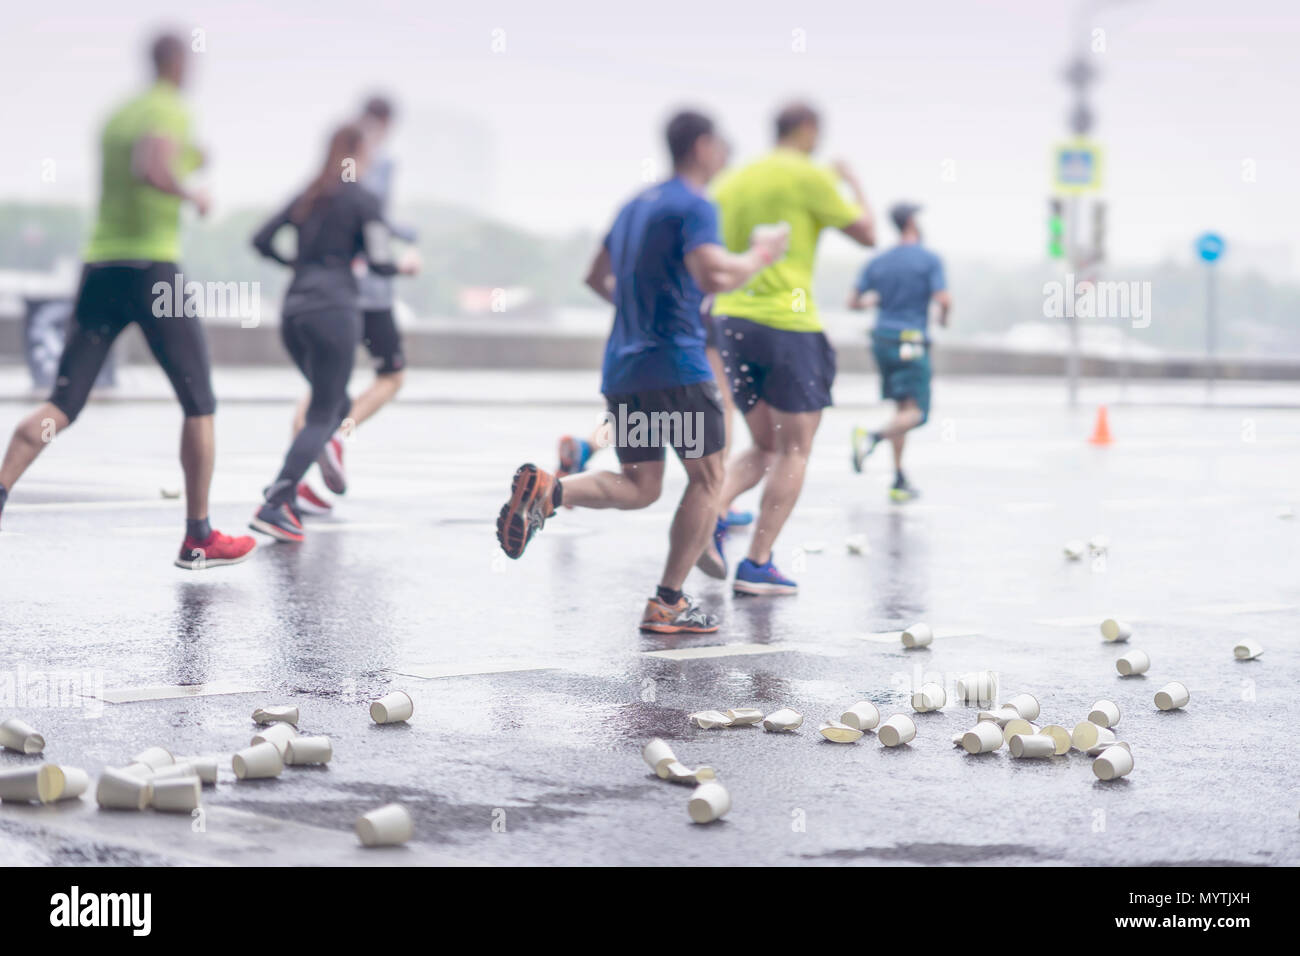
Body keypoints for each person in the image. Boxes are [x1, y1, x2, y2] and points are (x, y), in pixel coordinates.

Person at [495, 109, 788, 634]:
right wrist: (762, 254)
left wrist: (639, 310)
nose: (724, 156)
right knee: (708, 479)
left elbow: (594, 276)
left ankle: (549, 491)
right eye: (720, 146)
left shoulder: (634, 204)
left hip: (626, 367)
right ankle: (668, 602)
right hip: (678, 365)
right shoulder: (694, 204)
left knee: (641, 484)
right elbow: (713, 272)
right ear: (701, 147)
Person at [0, 32, 256, 570]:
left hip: (101, 269)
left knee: (63, 404)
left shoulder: (119, 114)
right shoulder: (170, 106)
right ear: (178, 63)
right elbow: (152, 165)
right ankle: (198, 537)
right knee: (199, 401)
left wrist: (190, 157)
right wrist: (192, 192)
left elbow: (144, 160)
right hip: (151, 271)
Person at [700, 102, 876, 595]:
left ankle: (708, 520)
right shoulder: (809, 175)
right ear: (807, 129)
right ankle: (756, 563)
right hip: (788, 321)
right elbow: (866, 233)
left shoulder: (733, 181)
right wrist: (853, 181)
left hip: (731, 320)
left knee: (765, 444)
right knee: (795, 447)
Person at [248, 123, 420, 542]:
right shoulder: (363, 199)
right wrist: (405, 266)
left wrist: (295, 265)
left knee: (335, 401)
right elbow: (379, 261)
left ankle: (292, 483)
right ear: (360, 155)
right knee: (326, 410)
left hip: (293, 312)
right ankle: (276, 501)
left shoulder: (309, 196)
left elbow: (261, 239)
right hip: (334, 310)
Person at [292, 96, 417, 516]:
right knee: (391, 375)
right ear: (385, 124)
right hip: (369, 291)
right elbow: (373, 216)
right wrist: (406, 241)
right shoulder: (373, 161)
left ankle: (292, 485)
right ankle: (337, 437)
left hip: (323, 297)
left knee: (320, 389)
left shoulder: (329, 166)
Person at [848, 203, 950, 501]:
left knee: (901, 410)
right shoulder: (929, 259)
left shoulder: (878, 261)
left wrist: (877, 301)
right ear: (912, 222)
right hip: (911, 339)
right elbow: (943, 299)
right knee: (918, 413)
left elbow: (853, 301)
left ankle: (898, 477)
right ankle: (870, 437)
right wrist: (944, 318)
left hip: (882, 339)